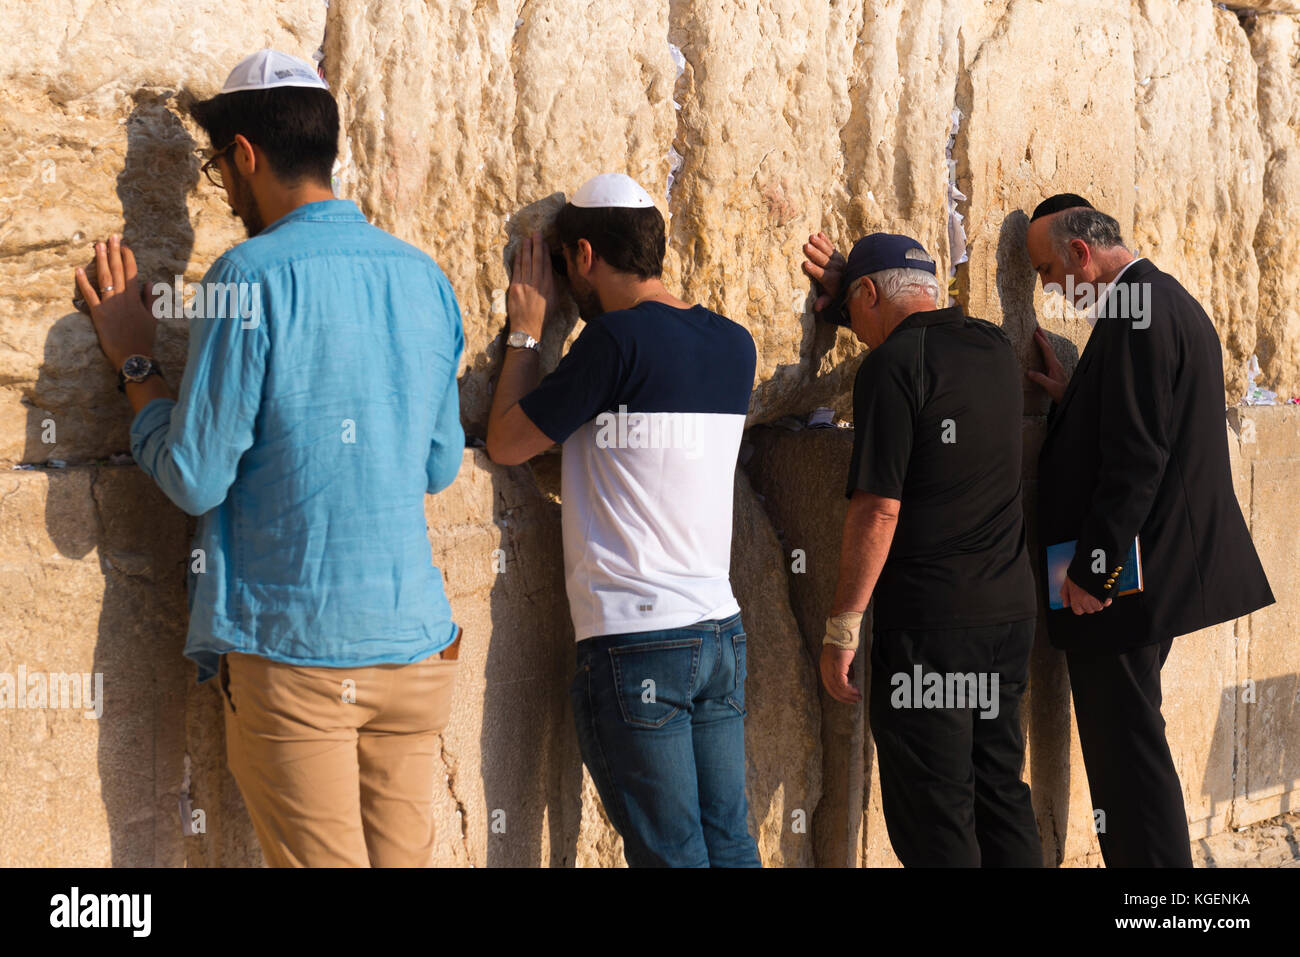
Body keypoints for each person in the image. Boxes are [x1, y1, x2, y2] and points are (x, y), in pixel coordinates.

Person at [73, 50, 466, 866]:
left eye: (217, 169)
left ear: (245, 155)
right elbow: (437, 466)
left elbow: (195, 476)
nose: (223, 191)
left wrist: (136, 362)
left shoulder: (247, 277)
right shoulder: (424, 278)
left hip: (299, 655)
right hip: (415, 650)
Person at [485, 173, 760, 867]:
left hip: (639, 643)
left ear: (583, 255)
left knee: (671, 854)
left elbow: (508, 441)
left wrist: (526, 332)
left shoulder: (612, 342)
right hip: (719, 631)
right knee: (730, 843)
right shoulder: (735, 343)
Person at [1025, 194, 1274, 867]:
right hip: (1149, 572)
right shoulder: (1165, 300)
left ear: (1081, 253)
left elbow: (1138, 459)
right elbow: (1145, 420)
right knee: (1131, 749)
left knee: (1128, 760)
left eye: (1047, 270)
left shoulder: (1136, 314)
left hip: (1125, 583)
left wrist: (1093, 573)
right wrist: (1075, 395)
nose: (1049, 288)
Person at [802, 231, 1042, 867]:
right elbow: (926, 351)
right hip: (1006, 617)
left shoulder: (890, 368)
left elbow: (879, 508)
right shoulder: (993, 346)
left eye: (854, 311)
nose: (855, 333)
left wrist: (842, 628)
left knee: (935, 812)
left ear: (869, 293)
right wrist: (852, 302)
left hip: (933, 631)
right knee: (999, 790)